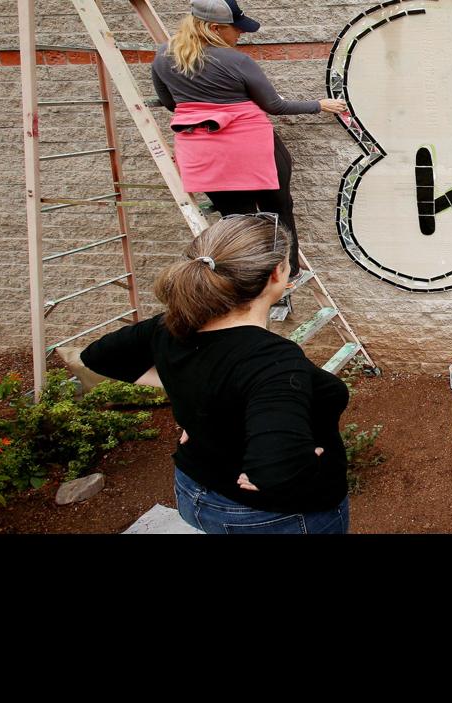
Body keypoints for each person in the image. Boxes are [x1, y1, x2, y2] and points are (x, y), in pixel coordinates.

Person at [82, 214, 351, 533]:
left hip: (195, 489)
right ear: (277, 273)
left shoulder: (170, 327)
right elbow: (275, 471)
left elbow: (96, 356)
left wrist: (200, 409)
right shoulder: (273, 361)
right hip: (270, 517)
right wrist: (309, 463)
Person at [151, 0, 347, 281]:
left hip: (203, 153)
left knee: (237, 220)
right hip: (251, 148)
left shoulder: (162, 57)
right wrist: (318, 104)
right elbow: (274, 105)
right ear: (214, 28)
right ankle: (285, 276)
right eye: (236, 29)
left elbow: (171, 104)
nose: (240, 34)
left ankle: (249, 281)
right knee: (277, 212)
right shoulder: (236, 60)